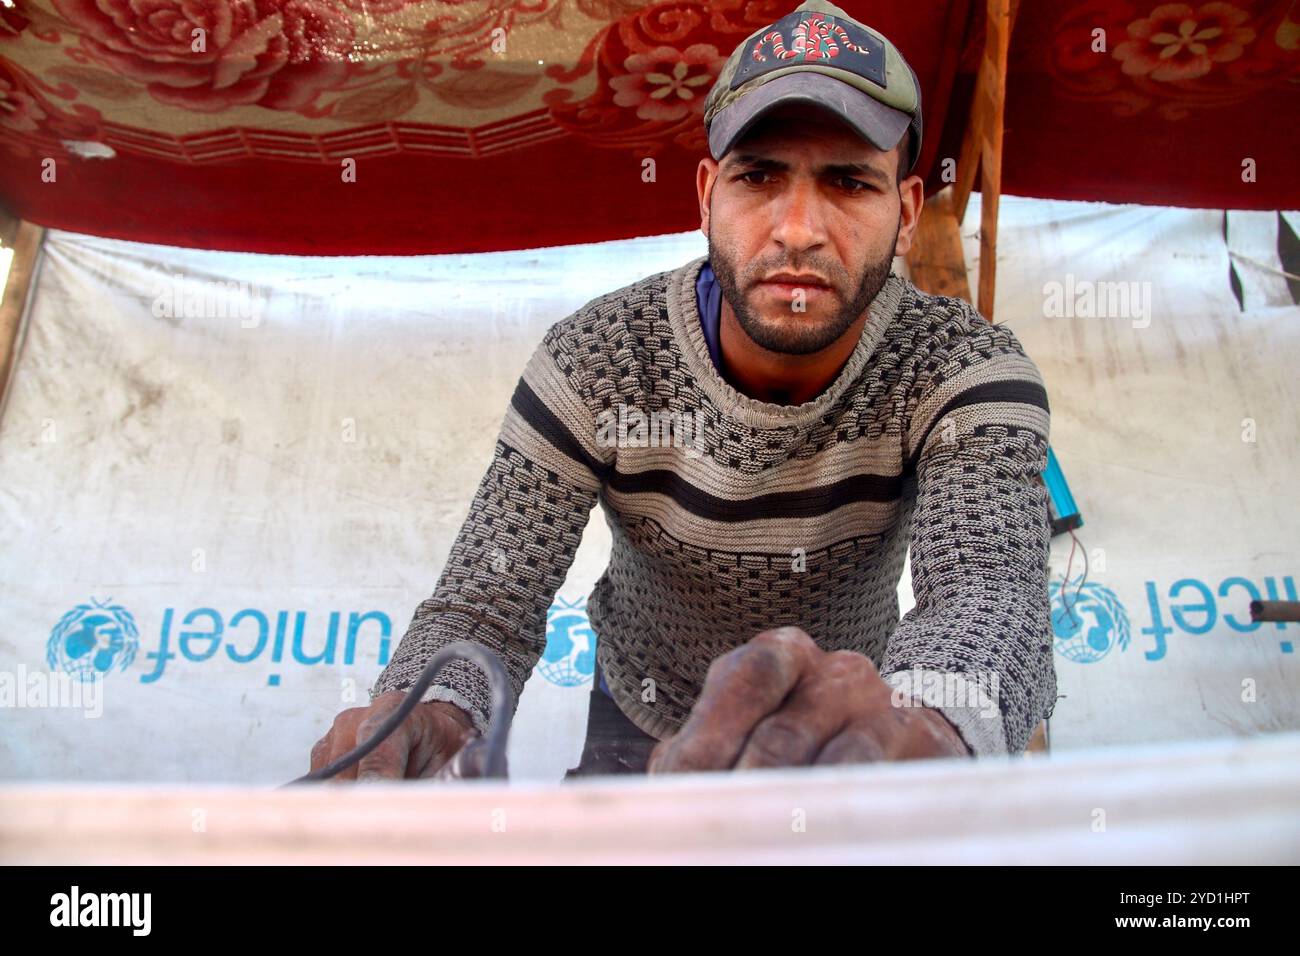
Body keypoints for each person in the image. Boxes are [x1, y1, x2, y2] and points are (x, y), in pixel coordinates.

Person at [309, 0, 1057, 781]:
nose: (798, 229)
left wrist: (928, 725)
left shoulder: (961, 368)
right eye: (758, 176)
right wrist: (431, 713)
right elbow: (488, 600)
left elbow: (989, 596)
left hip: (849, 726)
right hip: (640, 705)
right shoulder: (594, 362)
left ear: (906, 213)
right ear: (706, 195)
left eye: (849, 182)